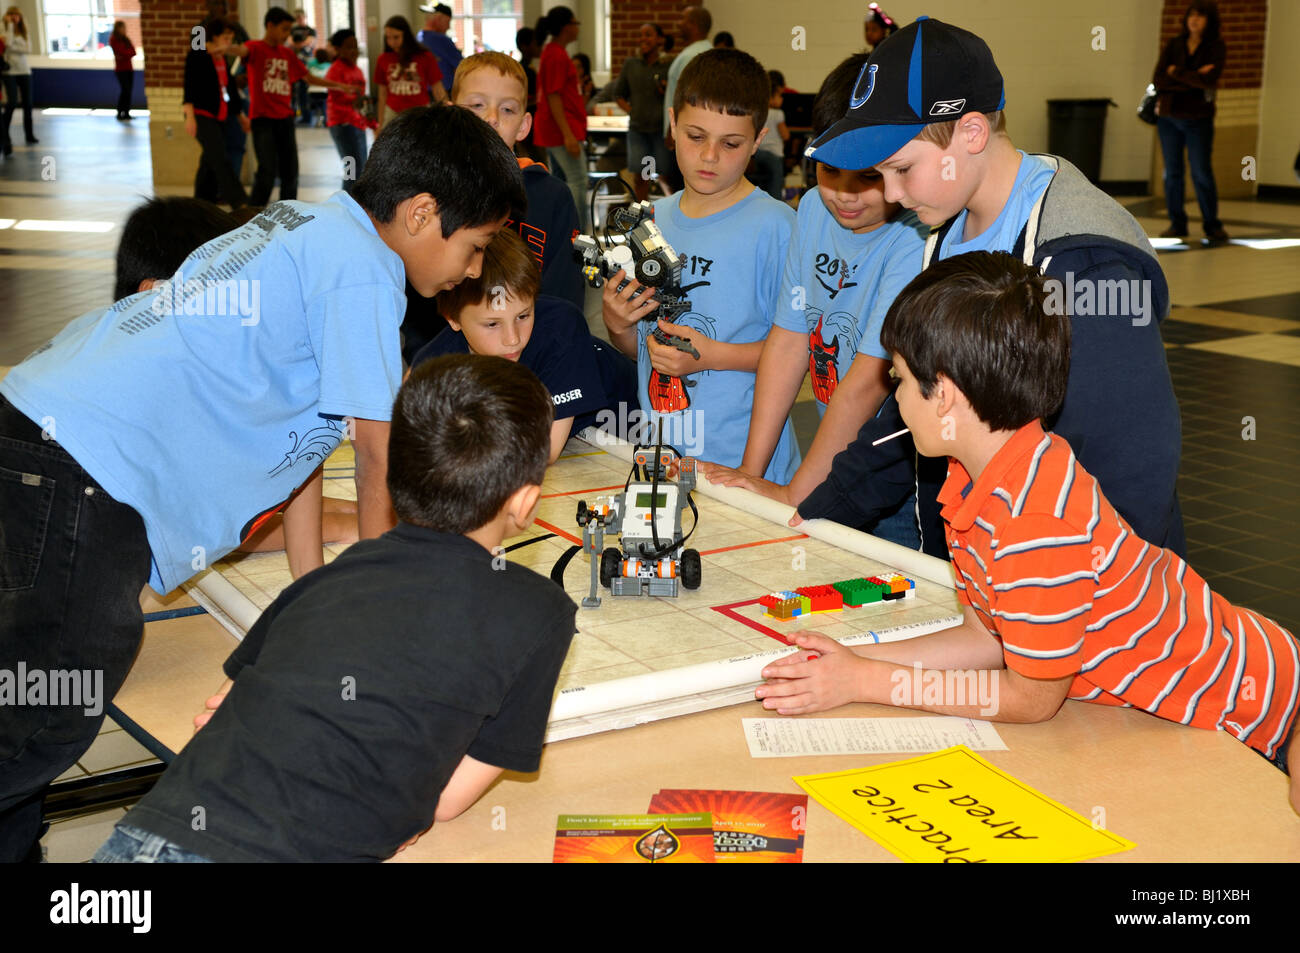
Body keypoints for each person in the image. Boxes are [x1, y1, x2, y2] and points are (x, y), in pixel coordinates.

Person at [0, 105, 526, 863]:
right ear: (420, 214)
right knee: (45, 714)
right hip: (81, 468)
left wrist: (313, 587)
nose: (474, 272)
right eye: (475, 247)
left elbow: (303, 447)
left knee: (31, 704)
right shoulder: (364, 272)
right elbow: (377, 457)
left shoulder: (302, 226)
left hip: (42, 436)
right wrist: (379, 620)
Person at [753, 251, 1300, 818]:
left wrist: (866, 680)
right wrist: (852, 662)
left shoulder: (1036, 521)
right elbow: (989, 637)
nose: (895, 402)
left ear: (944, 396)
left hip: (1266, 715)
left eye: (900, 381)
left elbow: (1032, 698)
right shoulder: (978, 473)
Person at [93, 354, 578, 862]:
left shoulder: (326, 579)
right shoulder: (540, 613)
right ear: (525, 504)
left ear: (393, 483)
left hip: (145, 837)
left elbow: (219, 711)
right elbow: (447, 801)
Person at [801, 16, 1185, 559]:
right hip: (984, 576)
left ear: (972, 134)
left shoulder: (1084, 267)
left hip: (1083, 594)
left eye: (902, 169)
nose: (888, 193)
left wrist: (1069, 601)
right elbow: (909, 416)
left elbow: (1132, 462)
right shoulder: (945, 232)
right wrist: (810, 517)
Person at [704, 54, 928, 550]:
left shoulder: (913, 240)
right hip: (835, 454)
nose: (845, 196)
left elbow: (867, 383)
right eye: (830, 171)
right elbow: (788, 342)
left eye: (868, 177)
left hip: (900, 478)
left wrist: (794, 494)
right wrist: (751, 473)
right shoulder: (810, 210)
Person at [601, 48, 799, 482]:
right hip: (663, 457)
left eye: (730, 144)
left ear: (758, 139)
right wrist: (618, 324)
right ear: (672, 124)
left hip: (746, 465)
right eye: (695, 136)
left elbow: (795, 352)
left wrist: (710, 356)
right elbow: (645, 352)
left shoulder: (777, 228)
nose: (710, 156)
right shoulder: (650, 222)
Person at [413, 231, 637, 462]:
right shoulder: (433, 365)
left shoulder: (562, 328)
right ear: (453, 319)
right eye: (492, 324)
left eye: (523, 316)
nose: (513, 339)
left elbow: (544, 450)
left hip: (632, 427)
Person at [451, 51, 584, 310]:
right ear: (451, 114)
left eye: (507, 109)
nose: (492, 118)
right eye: (477, 105)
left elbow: (565, 298)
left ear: (523, 126)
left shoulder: (551, 197)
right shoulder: (430, 192)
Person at [233, 7, 360, 206]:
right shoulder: (256, 48)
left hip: (285, 119)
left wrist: (341, 86)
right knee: (267, 170)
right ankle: (251, 214)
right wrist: (223, 48)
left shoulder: (287, 54)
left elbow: (309, 78)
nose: (286, 35)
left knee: (290, 172)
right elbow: (242, 50)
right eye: (283, 29)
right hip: (263, 119)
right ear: (270, 26)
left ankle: (287, 212)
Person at [1152, 0, 1229, 243]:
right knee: (1172, 173)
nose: (1194, 20)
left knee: (1201, 171)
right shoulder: (1174, 44)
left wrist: (1176, 73)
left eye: (1200, 16)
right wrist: (1193, 77)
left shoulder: (1215, 47)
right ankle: (1177, 223)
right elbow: (1158, 79)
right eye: (1191, 15)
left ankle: (1212, 224)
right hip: (1169, 117)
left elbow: (1209, 81)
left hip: (1198, 119)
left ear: (1209, 21)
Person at [183, 17, 250, 210]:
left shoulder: (221, 58)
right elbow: (189, 88)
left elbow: (228, 88)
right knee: (220, 158)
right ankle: (240, 203)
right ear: (215, 36)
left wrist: (240, 116)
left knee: (210, 160)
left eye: (231, 37)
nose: (229, 41)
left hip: (220, 115)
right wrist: (189, 117)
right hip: (201, 115)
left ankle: (201, 203)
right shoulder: (197, 55)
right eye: (226, 37)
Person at [534, 6, 589, 232]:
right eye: (576, 23)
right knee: (578, 181)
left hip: (556, 128)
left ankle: (563, 230)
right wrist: (567, 134)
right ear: (567, 27)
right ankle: (578, 233)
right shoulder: (556, 54)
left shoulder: (553, 51)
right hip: (560, 129)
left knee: (560, 181)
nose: (578, 28)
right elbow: (553, 95)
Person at [615, 22, 671, 202]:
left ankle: (674, 212)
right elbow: (619, 94)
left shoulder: (667, 65)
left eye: (648, 35)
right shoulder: (631, 65)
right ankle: (642, 216)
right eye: (641, 35)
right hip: (638, 132)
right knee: (641, 177)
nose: (643, 39)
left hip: (660, 132)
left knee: (665, 175)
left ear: (659, 40)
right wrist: (633, 111)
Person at [377, 14, 448, 130]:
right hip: (393, 110)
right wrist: (379, 124)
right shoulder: (383, 59)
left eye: (396, 37)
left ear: (406, 36)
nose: (392, 42)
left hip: (419, 111)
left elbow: (437, 88)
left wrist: (447, 112)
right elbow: (382, 94)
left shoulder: (424, 57)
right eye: (388, 38)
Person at [325, 28, 374, 193]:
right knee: (351, 169)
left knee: (361, 167)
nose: (353, 51)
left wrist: (370, 121)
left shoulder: (357, 70)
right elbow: (335, 99)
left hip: (357, 124)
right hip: (343, 125)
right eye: (348, 47)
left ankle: (356, 206)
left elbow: (360, 102)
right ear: (338, 50)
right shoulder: (335, 70)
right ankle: (345, 205)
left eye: (355, 47)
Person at [662, 5, 711, 137]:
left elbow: (689, 95)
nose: (678, 24)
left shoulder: (692, 55)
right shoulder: (704, 49)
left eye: (682, 19)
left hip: (681, 131)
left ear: (693, 24)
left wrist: (673, 128)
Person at [1, 6, 36, 154]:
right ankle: (4, 135)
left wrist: (14, 44)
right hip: (9, 71)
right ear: (8, 16)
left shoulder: (24, 30)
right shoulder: (3, 28)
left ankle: (29, 134)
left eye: (17, 15)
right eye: (12, 15)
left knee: (28, 103)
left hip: (24, 70)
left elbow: (28, 49)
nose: (15, 17)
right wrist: (9, 27)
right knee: (12, 102)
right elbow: (6, 44)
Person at [750, 71, 788, 199]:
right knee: (776, 185)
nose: (782, 99)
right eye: (780, 96)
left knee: (762, 184)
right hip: (773, 156)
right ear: (773, 96)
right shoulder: (778, 114)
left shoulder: (757, 111)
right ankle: (776, 205)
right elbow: (785, 135)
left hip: (757, 154)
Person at [417, 2, 461, 94]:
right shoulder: (441, 40)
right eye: (448, 22)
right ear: (439, 19)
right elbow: (462, 66)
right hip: (442, 93)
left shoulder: (418, 37)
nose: (448, 27)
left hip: (422, 92)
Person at [290, 8, 316, 125]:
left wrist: (299, 44)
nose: (299, 19)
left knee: (305, 92)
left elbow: (309, 42)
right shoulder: (293, 30)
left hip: (306, 64)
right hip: (294, 63)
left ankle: (307, 116)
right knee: (294, 92)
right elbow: (290, 41)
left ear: (305, 17)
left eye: (301, 17)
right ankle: (294, 114)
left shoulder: (310, 30)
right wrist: (297, 44)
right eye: (297, 17)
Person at [109, 21, 136, 121]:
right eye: (122, 28)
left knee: (129, 91)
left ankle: (127, 112)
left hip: (129, 68)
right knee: (125, 90)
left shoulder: (126, 39)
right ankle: (120, 112)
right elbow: (121, 52)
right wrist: (125, 54)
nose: (124, 30)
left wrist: (124, 54)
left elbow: (133, 52)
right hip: (121, 70)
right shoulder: (114, 39)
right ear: (118, 28)